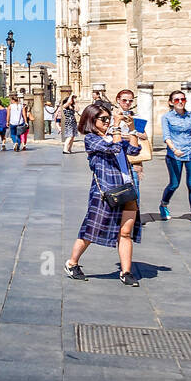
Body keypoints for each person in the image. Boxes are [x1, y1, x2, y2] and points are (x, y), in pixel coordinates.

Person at [64, 103, 143, 287]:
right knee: (91, 231)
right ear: (92, 120)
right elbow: (114, 148)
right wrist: (116, 125)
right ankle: (72, 263)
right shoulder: (91, 139)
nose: (107, 122)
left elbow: (133, 150)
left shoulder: (113, 136)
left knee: (125, 233)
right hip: (106, 192)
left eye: (109, 118)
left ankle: (126, 272)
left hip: (127, 189)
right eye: (103, 119)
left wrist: (131, 129)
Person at [159, 90, 191, 225]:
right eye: (176, 100)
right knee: (174, 184)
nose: (180, 102)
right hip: (175, 154)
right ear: (171, 102)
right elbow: (166, 137)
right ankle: (163, 205)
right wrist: (174, 149)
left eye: (182, 99)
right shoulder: (167, 117)